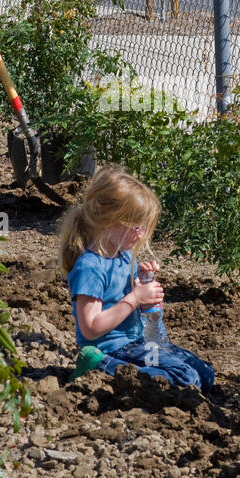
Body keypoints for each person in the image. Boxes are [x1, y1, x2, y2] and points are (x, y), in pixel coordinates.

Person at [60, 165, 215, 390]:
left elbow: (137, 306)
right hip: (111, 348)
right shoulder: (90, 267)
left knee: (204, 373)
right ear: (107, 219)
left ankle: (133, 372)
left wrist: (143, 282)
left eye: (143, 226)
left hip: (137, 342)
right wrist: (135, 298)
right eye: (134, 226)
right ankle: (99, 366)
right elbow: (91, 327)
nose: (140, 234)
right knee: (185, 378)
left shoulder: (124, 256)